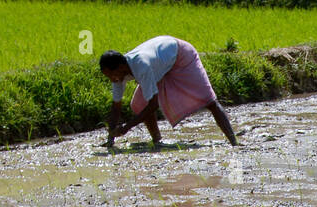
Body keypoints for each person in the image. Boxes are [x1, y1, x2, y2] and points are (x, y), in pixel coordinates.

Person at [100, 37, 237, 148]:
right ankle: (157, 142)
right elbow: (116, 108)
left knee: (209, 100)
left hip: (181, 56)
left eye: (111, 74)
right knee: (139, 104)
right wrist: (111, 138)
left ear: (121, 67)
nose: (111, 79)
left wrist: (126, 127)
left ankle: (234, 142)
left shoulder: (141, 65)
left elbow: (153, 104)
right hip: (161, 65)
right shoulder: (118, 76)